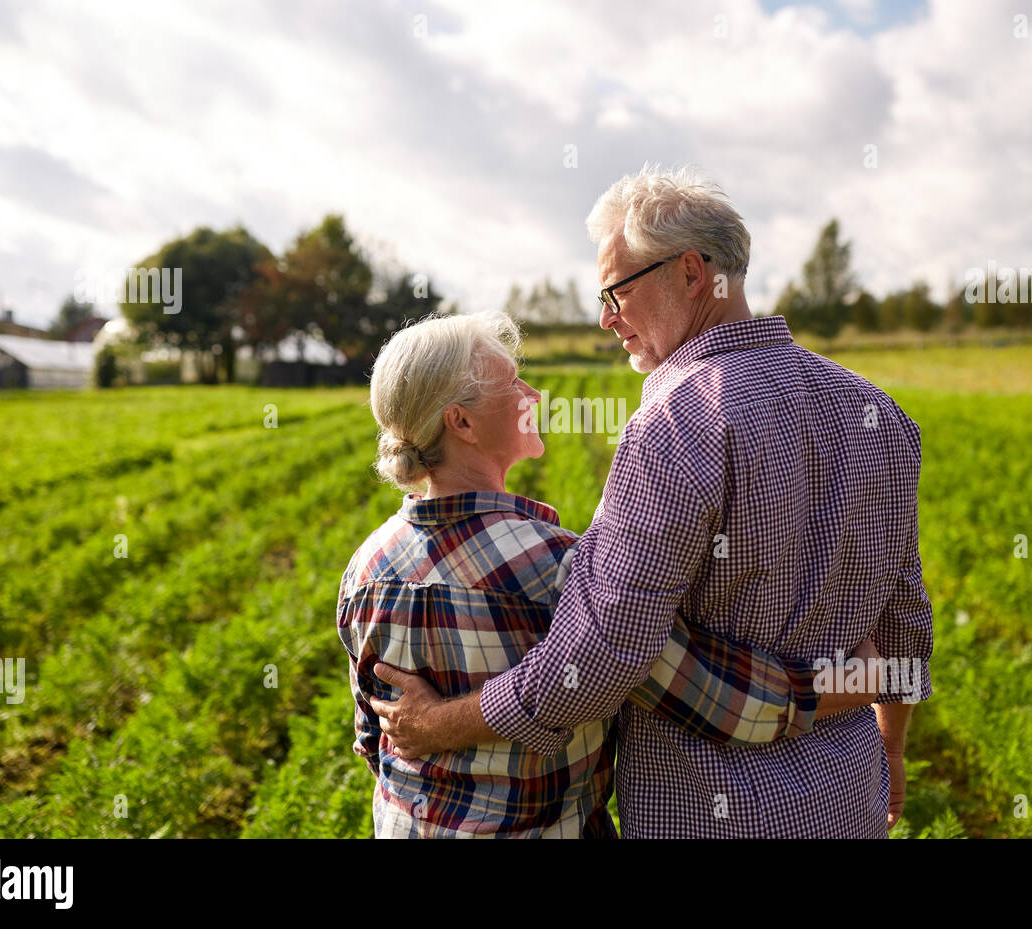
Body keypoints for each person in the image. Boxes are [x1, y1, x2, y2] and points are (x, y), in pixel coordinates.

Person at [371, 164, 934, 838]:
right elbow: (905, 614)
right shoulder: (878, 410)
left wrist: (439, 723)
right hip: (848, 797)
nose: (606, 318)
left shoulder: (678, 419)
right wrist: (891, 746)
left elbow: (605, 652)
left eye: (617, 291)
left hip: (710, 812)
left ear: (691, 274)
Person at [339, 311, 878, 838]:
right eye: (512, 383)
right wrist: (847, 683)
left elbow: (375, 739)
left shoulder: (365, 568)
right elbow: (712, 698)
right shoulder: (559, 567)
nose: (533, 395)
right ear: (462, 422)